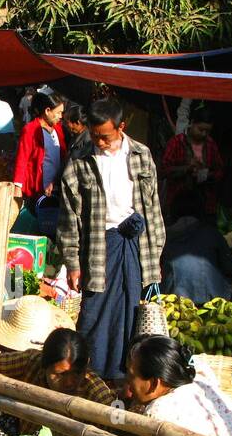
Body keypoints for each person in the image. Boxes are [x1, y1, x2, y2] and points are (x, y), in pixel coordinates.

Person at [57, 97, 165, 381]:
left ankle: (126, 381)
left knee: (132, 316)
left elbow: (153, 210)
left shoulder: (142, 156)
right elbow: (69, 216)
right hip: (98, 248)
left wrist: (155, 257)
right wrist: (72, 263)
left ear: (121, 127)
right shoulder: (80, 160)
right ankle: (90, 378)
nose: (100, 143)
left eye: (105, 137)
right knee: (94, 316)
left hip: (134, 246)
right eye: (95, 136)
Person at [0, 319, 119, 436]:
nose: (69, 382)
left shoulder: (96, 394)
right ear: (44, 365)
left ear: (86, 366)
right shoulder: (32, 362)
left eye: (77, 373)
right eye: (60, 375)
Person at [161, 193, 232, 304]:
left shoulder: (165, 237)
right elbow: (230, 267)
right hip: (214, 300)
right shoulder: (212, 233)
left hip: (176, 301)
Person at [159, 103, 223, 220]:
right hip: (178, 205)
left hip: (205, 205)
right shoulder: (176, 143)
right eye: (201, 129)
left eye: (207, 131)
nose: (204, 134)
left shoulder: (210, 144)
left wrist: (208, 175)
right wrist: (186, 169)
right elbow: (163, 170)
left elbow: (219, 170)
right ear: (192, 123)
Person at [12, 91, 67, 208]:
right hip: (36, 186)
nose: (61, 116)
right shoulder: (30, 129)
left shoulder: (58, 129)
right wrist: (18, 187)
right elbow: (22, 158)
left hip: (56, 186)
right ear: (47, 111)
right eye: (58, 113)